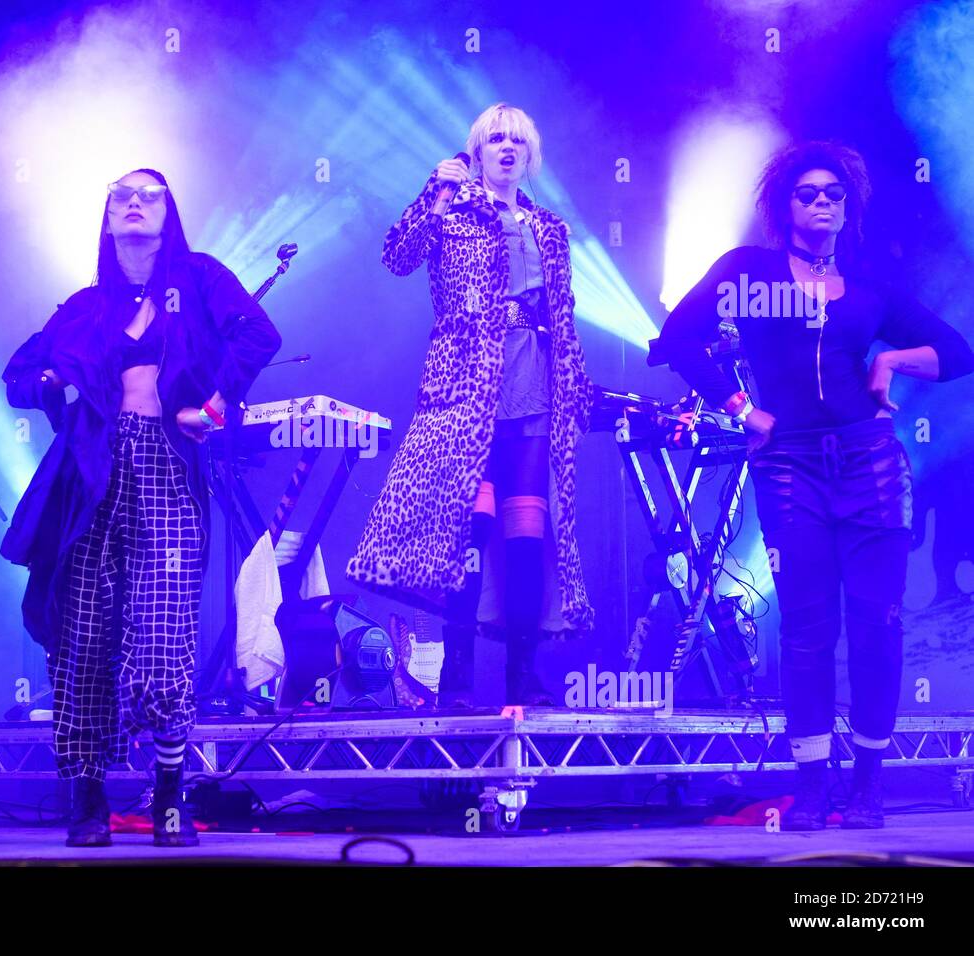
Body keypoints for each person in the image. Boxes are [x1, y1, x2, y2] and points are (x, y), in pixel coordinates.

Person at [656, 141, 974, 830]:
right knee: (806, 626)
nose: (823, 202)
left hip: (871, 464)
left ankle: (868, 785)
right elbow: (676, 338)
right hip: (790, 464)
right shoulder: (748, 273)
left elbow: (957, 352)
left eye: (834, 193)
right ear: (786, 206)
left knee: (878, 624)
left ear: (847, 206)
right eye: (809, 193)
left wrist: (890, 357)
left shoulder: (867, 290)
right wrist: (741, 408)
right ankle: (812, 786)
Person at [0, 169, 281, 847]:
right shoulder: (86, 305)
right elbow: (19, 375)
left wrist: (216, 405)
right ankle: (90, 798)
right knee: (83, 638)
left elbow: (258, 335)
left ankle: (168, 792)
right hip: (91, 476)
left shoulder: (202, 280)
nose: (133, 202)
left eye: (149, 193)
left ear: (169, 212)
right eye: (121, 194)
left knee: (163, 640)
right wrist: (53, 388)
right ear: (106, 218)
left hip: (166, 468)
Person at [346, 103, 595, 707]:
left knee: (529, 532)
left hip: (536, 388)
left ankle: (521, 672)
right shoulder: (451, 212)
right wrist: (435, 191)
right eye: (495, 140)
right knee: (469, 530)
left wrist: (578, 386)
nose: (507, 148)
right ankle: (455, 674)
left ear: (529, 156)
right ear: (476, 152)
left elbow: (562, 316)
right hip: (466, 392)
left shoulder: (550, 229)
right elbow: (398, 257)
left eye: (518, 140)